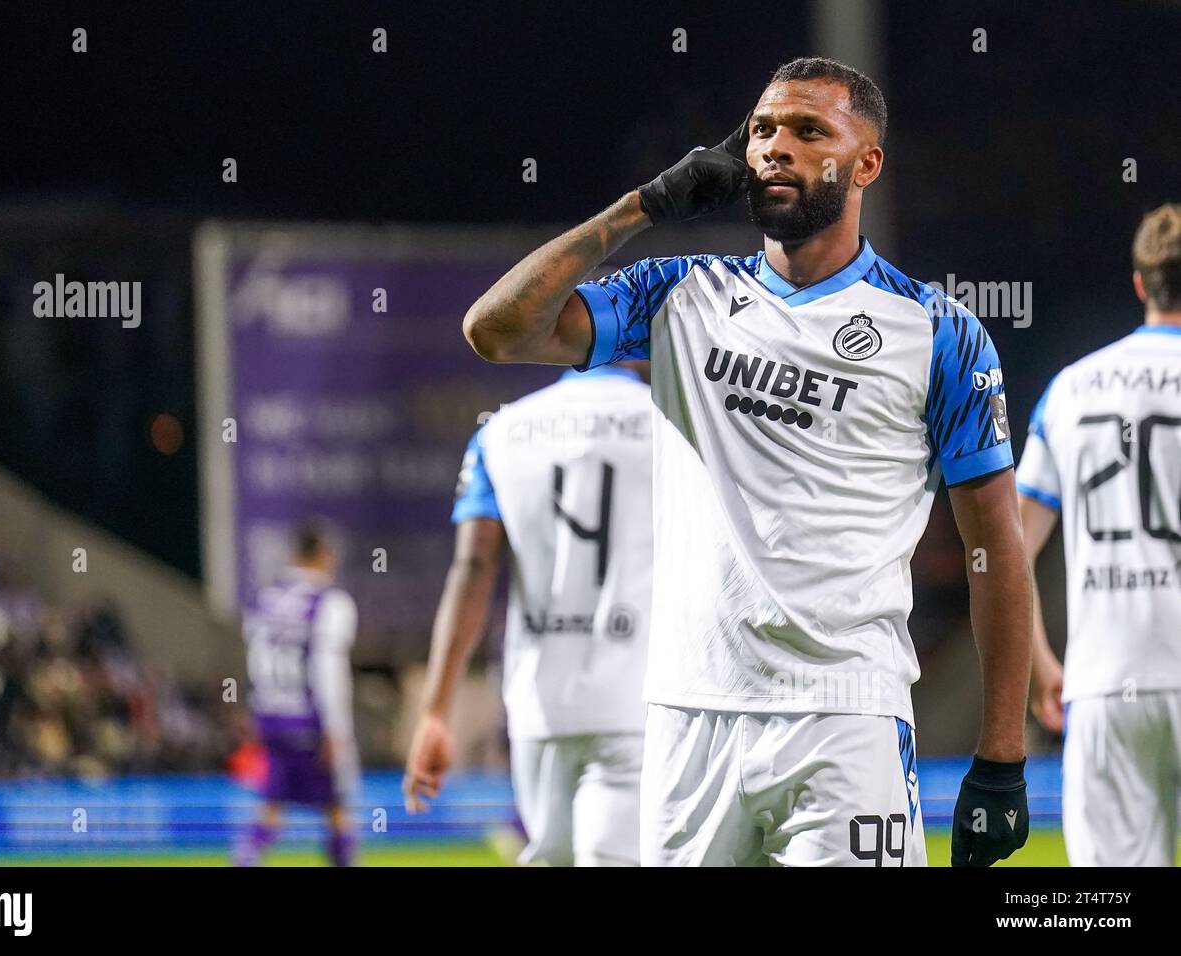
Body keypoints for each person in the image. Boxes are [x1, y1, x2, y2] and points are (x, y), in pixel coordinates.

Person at [461, 57, 1031, 866]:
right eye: (761, 130)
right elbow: (496, 330)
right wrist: (643, 205)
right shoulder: (680, 294)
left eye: (809, 131)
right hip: (686, 715)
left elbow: (996, 548)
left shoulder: (936, 331)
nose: (775, 148)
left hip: (846, 718)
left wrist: (1002, 754)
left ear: (866, 162)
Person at [404, 363, 654, 865]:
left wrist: (436, 711)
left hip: (539, 707)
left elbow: (472, 567)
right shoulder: (674, 420)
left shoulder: (501, 431)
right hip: (644, 698)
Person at [1018, 203, 1181, 866]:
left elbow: (1006, 552)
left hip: (1106, 679)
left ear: (1141, 283)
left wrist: (1039, 664)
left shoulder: (1070, 390)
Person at [233, 518, 358, 866]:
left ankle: (244, 859)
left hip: (272, 718)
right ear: (323, 554)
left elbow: (256, 661)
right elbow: (326, 670)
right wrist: (336, 729)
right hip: (309, 721)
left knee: (272, 806)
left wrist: (257, 711)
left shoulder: (264, 599)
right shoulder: (329, 603)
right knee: (337, 808)